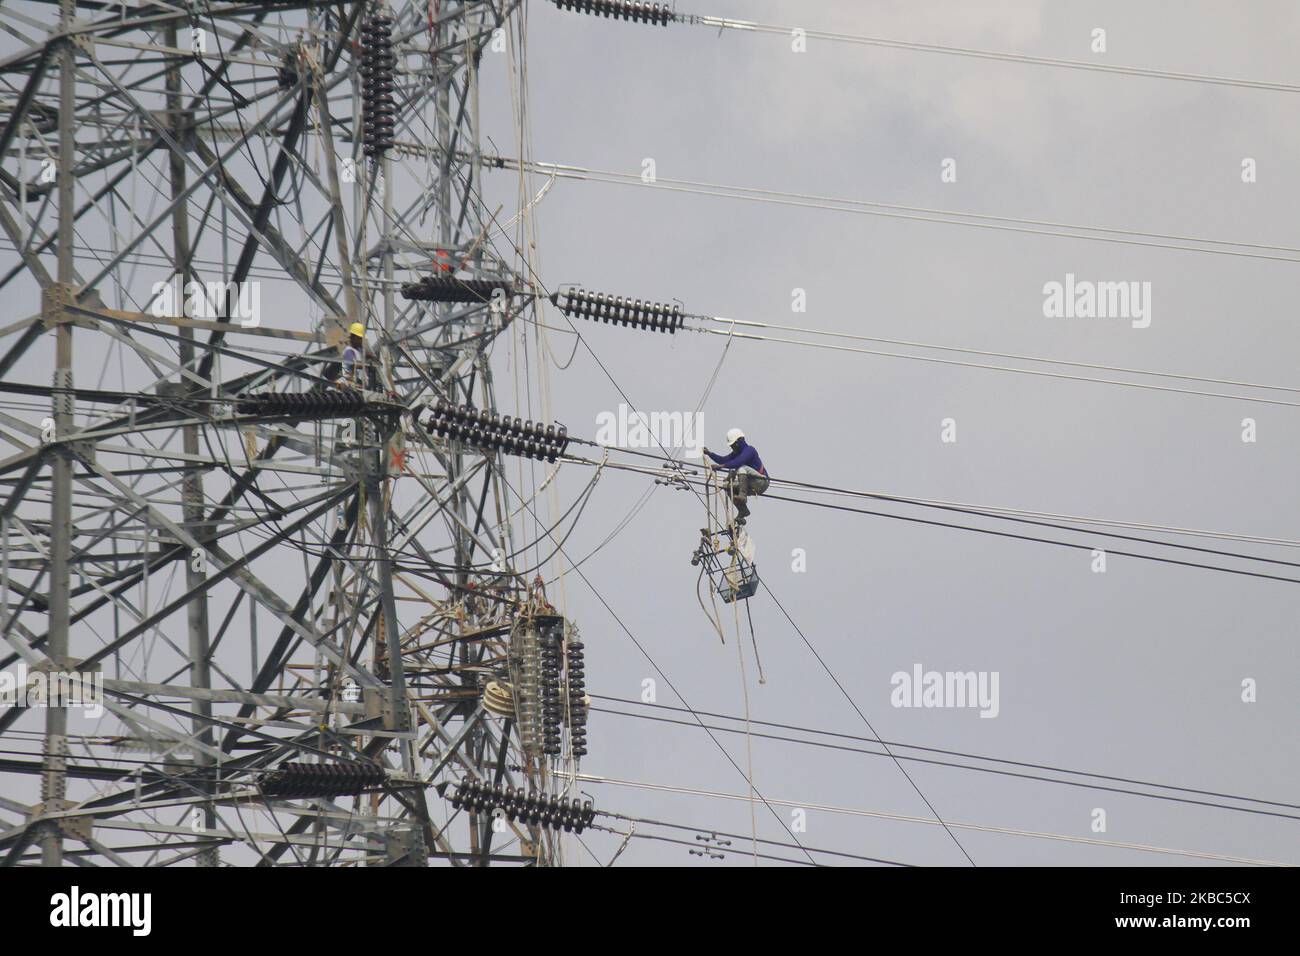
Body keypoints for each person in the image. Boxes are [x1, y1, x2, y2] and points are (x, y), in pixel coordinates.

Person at [703, 428, 768, 524]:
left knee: (741, 468)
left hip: (762, 481)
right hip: (750, 485)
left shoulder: (750, 450)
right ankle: (743, 510)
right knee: (728, 487)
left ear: (739, 441)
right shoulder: (736, 453)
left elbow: (739, 462)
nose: (733, 448)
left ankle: (742, 495)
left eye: (734, 445)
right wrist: (710, 454)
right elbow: (723, 460)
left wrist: (722, 466)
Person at [338, 322, 366, 388]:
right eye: (359, 338)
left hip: (357, 382)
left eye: (361, 338)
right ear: (353, 337)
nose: (361, 341)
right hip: (349, 382)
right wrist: (368, 365)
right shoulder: (349, 351)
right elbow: (354, 365)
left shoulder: (358, 351)